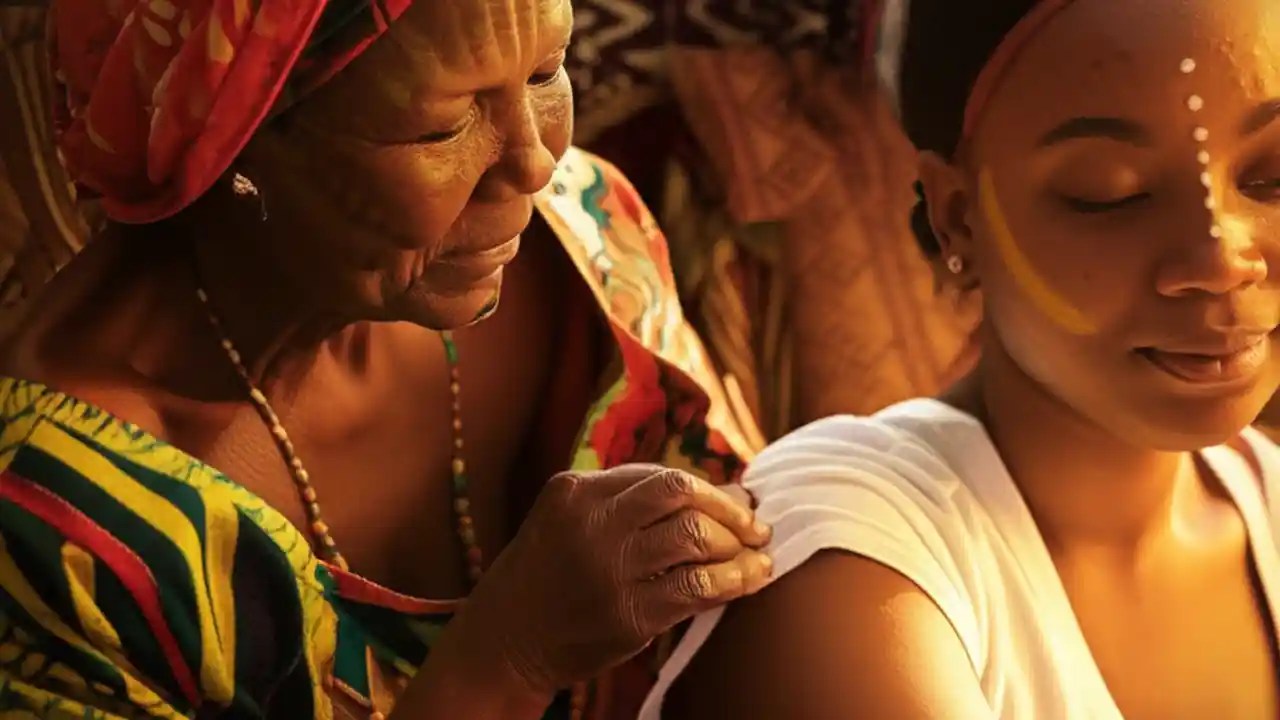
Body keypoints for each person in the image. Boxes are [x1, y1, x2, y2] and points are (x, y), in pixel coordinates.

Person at [0, 0, 777, 717]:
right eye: (443, 129)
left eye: (546, 72)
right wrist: (507, 659)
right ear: (231, 143)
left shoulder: (587, 239)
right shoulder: (53, 533)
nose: (534, 163)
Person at [641, 0, 1280, 718]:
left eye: (1273, 178)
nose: (1220, 258)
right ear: (957, 216)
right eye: (1110, 193)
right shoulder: (849, 567)